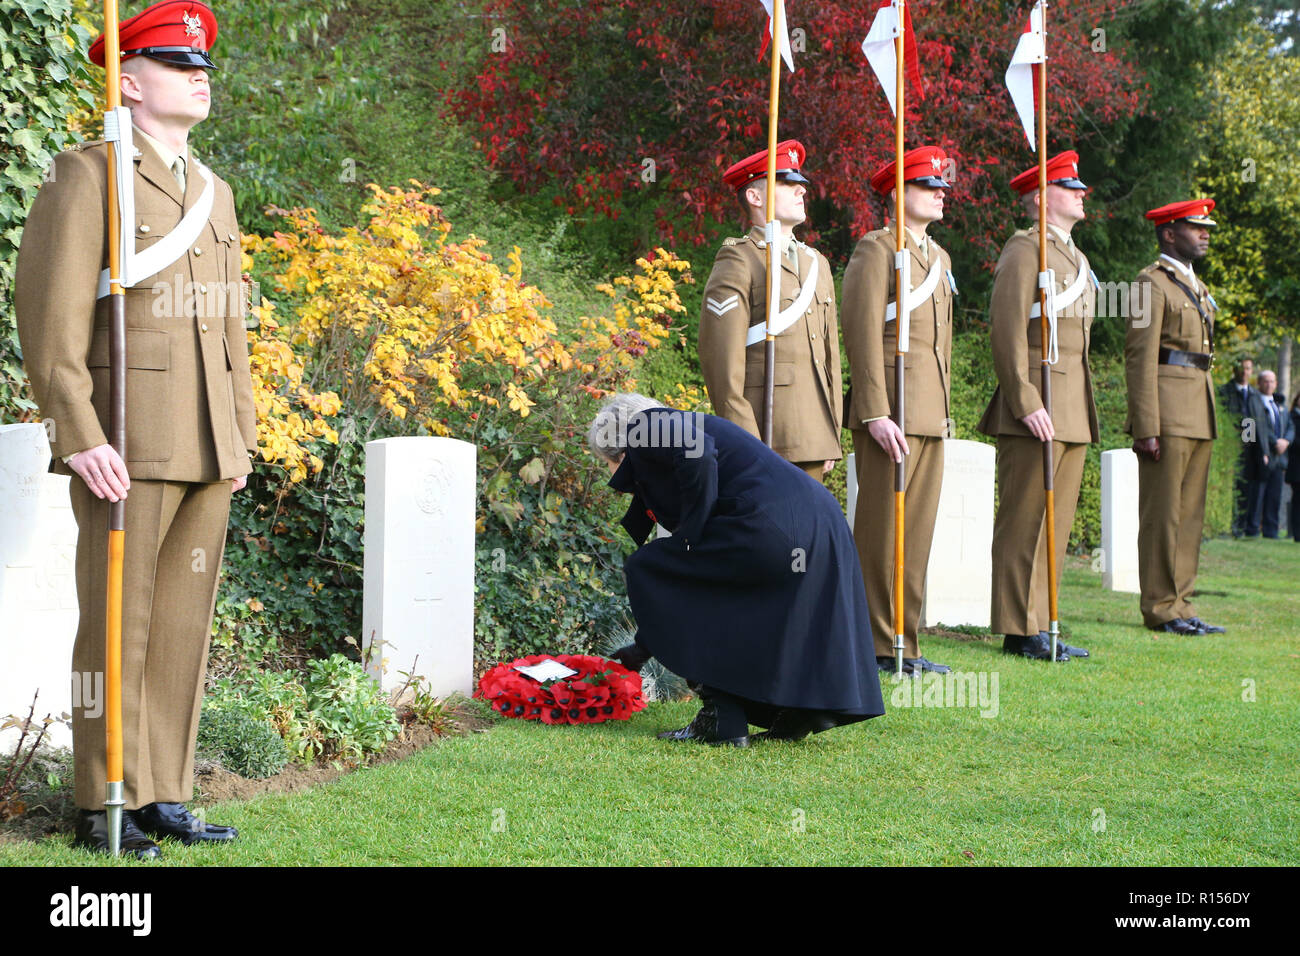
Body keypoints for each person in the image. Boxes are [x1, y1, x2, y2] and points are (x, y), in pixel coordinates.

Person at [14, 0, 255, 858]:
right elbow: (46, 314)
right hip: (125, 438)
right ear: (128, 80)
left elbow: (230, 323)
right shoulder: (88, 174)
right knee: (118, 625)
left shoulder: (212, 190)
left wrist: (241, 436)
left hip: (207, 442)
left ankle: (159, 794)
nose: (200, 75)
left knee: (181, 627)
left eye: (203, 65)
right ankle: (100, 798)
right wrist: (78, 432)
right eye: (177, 63)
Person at [591, 394, 884, 746]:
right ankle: (797, 711)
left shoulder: (646, 425)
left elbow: (695, 451)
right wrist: (639, 651)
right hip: (821, 522)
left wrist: (691, 537)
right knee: (746, 602)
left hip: (770, 524)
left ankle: (721, 717)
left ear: (617, 448)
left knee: (646, 567)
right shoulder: (684, 426)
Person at [977, 151, 1096, 662]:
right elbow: (1005, 330)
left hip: (1070, 405)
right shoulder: (1027, 250)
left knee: (1056, 523)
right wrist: (1024, 398)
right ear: (1042, 198)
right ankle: (1016, 627)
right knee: (1025, 518)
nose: (1082, 193)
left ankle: (1043, 620)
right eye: (1071, 187)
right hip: (1037, 403)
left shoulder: (1074, 256)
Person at [841, 145, 955, 676]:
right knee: (884, 529)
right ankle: (875, 640)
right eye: (927, 186)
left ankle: (904, 637)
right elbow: (861, 333)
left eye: (940, 188)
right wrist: (873, 411)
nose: (939, 194)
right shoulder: (876, 249)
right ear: (898, 194)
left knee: (917, 530)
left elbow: (941, 345)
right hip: (892, 410)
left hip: (929, 409)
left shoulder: (939, 257)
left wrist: (945, 407)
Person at [697, 140, 842, 482]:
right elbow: (722, 364)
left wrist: (830, 429)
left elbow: (828, 354)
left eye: (800, 183)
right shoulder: (739, 258)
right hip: (766, 436)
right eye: (787, 183)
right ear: (755, 197)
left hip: (814, 435)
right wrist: (746, 444)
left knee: (803, 536)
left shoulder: (816, 263)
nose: (800, 190)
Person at [1125, 199, 1226, 635]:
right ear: (1169, 233)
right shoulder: (1151, 283)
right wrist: (1146, 425)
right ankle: (1159, 606)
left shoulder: (1193, 285)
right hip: (1166, 413)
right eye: (1194, 227)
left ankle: (1182, 603)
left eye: (1206, 227)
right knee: (1162, 516)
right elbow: (1139, 357)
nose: (1204, 233)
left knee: (1188, 516)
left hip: (1198, 409)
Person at [1245, 369, 1292, 539]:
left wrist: (1285, 441)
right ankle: (1252, 528)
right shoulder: (1253, 402)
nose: (1269, 384)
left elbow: (1289, 426)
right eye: (1265, 381)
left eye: (1272, 381)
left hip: (1280, 457)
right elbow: (1257, 427)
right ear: (1259, 383)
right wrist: (1273, 443)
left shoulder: (1279, 404)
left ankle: (1271, 531)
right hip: (1261, 455)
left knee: (1274, 495)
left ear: (1276, 384)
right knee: (1257, 494)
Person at [1219, 357, 1257, 537]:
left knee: (1245, 488)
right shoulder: (1224, 392)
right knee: (1228, 487)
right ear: (1235, 370)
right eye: (1242, 368)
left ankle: (1241, 526)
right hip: (1229, 445)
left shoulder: (1254, 395)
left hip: (1248, 448)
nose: (1244, 372)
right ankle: (1226, 526)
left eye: (1248, 368)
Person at [1287, 392, 1300, 542]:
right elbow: (1291, 439)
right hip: (1296, 466)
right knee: (1297, 501)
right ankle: (1297, 533)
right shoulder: (1291, 417)